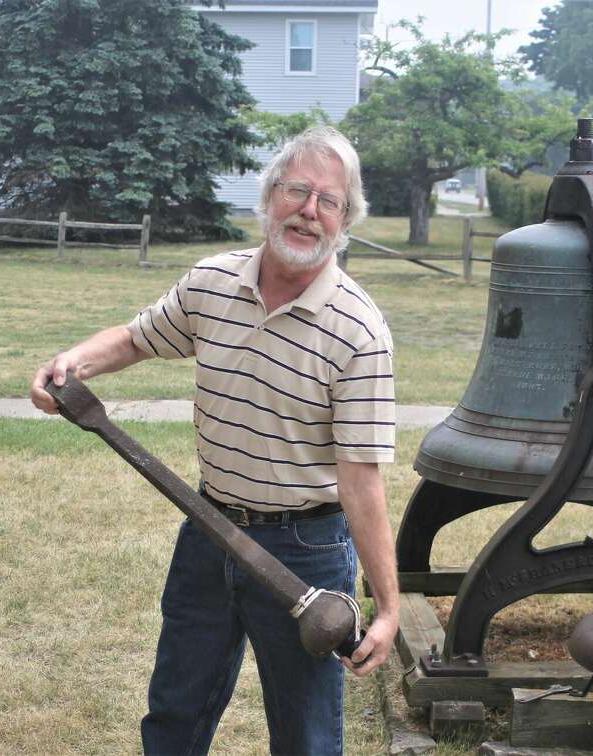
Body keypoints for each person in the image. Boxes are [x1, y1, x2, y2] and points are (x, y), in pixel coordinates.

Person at [30, 126, 398, 755]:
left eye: (329, 201)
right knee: (176, 710)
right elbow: (137, 338)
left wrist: (388, 607)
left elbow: (361, 483)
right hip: (207, 525)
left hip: (302, 554)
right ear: (269, 197)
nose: (310, 210)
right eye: (298, 191)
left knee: (305, 735)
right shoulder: (212, 284)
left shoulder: (360, 333)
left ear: (345, 220)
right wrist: (73, 365)